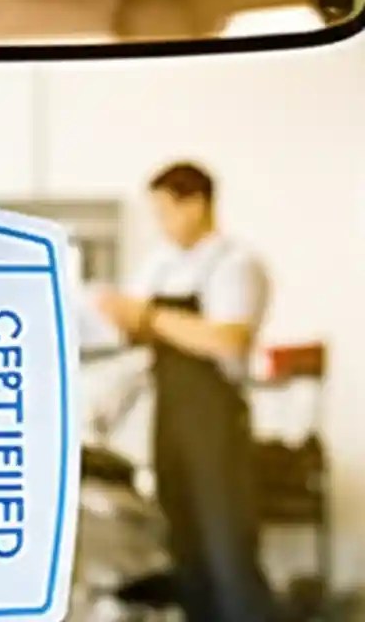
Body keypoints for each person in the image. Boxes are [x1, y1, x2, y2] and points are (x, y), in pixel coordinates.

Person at [97, 161, 280, 622]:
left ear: (196, 203)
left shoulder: (236, 263)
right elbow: (136, 326)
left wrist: (151, 318)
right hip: (171, 415)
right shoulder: (162, 264)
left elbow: (227, 338)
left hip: (215, 418)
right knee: (185, 543)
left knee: (226, 547)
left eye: (166, 212)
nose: (161, 224)